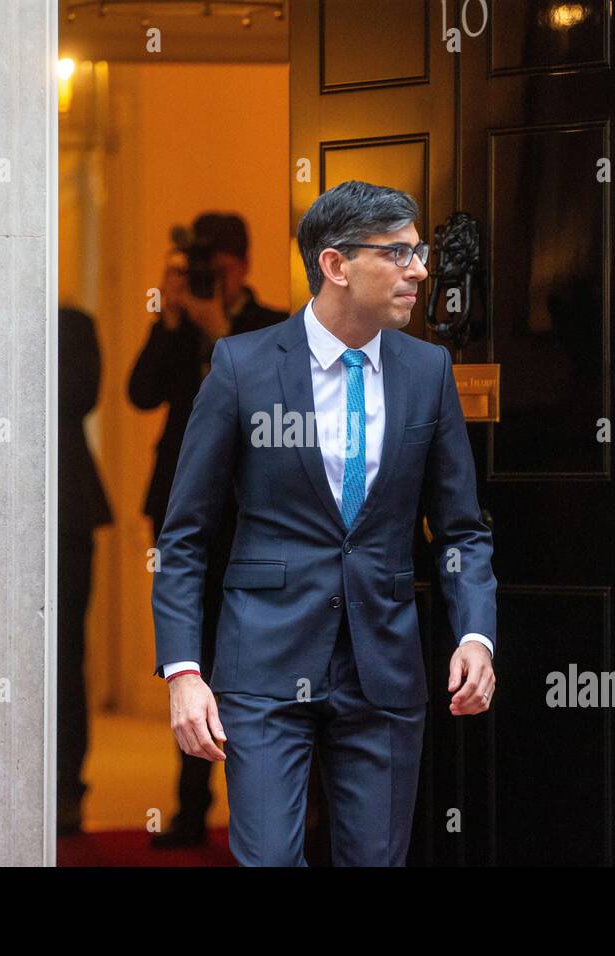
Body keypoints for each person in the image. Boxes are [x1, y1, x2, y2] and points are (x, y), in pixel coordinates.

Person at [151, 181, 498, 866]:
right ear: (336, 265)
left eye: (420, 251)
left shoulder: (428, 371)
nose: (421, 271)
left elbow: (460, 528)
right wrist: (183, 670)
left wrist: (476, 634)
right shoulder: (242, 366)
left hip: (384, 671)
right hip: (264, 667)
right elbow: (185, 534)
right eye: (399, 254)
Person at [127, 213, 288, 847]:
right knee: (185, 659)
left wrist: (220, 330)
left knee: (248, 660)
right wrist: (170, 320)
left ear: (242, 267)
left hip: (250, 518)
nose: (205, 280)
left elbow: (277, 409)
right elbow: (139, 394)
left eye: (215, 268)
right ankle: (190, 811)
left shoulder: (271, 325)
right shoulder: (177, 324)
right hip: (180, 511)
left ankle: (256, 812)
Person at [57, 306, 114, 835]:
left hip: (69, 510)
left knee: (66, 655)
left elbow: (80, 396)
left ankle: (66, 792)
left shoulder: (72, 323)